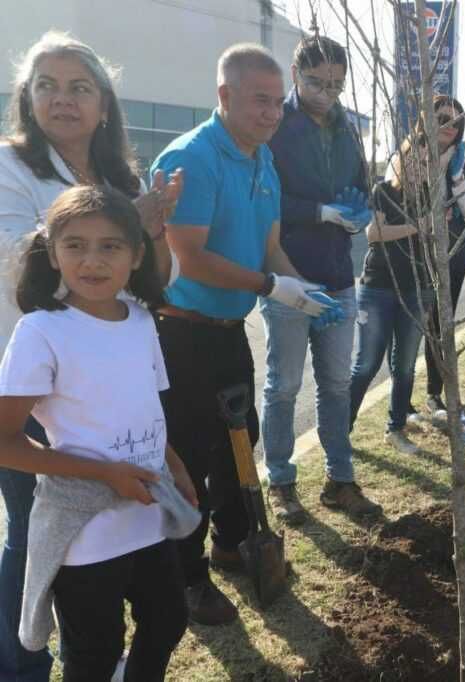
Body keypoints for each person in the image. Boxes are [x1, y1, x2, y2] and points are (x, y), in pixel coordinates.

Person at [0, 31, 182, 681]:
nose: (63, 99)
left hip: (109, 368)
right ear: (27, 100)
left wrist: (152, 227)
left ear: (104, 104)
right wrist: (125, 216)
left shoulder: (121, 177)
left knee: (134, 578)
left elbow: (153, 278)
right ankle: (22, 666)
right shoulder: (8, 166)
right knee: (38, 534)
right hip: (35, 380)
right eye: (46, 86)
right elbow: (15, 259)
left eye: (79, 87)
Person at [152, 43, 339, 626]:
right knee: (191, 455)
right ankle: (187, 578)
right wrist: (269, 286)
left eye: (276, 102)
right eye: (259, 101)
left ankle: (231, 544)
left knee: (240, 441)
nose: (271, 113)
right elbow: (189, 258)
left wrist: (301, 288)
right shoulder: (192, 158)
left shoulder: (263, 162)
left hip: (229, 329)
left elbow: (269, 246)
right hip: (181, 334)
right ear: (224, 96)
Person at [261, 35, 379, 525]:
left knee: (335, 384)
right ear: (295, 74)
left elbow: (363, 187)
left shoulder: (348, 129)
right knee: (284, 386)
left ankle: (340, 480)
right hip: (288, 275)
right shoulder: (276, 126)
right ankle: (281, 482)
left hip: (337, 276)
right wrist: (319, 211)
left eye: (336, 85)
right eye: (316, 83)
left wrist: (357, 213)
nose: (326, 94)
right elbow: (263, 198)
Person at [347, 116, 438, 456]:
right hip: (378, 288)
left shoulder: (430, 196)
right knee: (366, 364)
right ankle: (341, 431)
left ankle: (395, 428)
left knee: (405, 365)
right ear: (400, 160)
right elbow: (374, 234)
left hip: (417, 288)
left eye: (424, 162)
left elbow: (436, 237)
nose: (417, 167)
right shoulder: (383, 191)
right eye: (413, 159)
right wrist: (417, 227)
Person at [422, 95, 465, 415]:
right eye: (442, 118)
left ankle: (434, 392)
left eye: (456, 121)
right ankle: (400, 402)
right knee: (411, 326)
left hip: (453, 252)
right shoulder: (412, 158)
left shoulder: (464, 166)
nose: (449, 126)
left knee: (441, 324)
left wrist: (457, 176)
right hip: (417, 252)